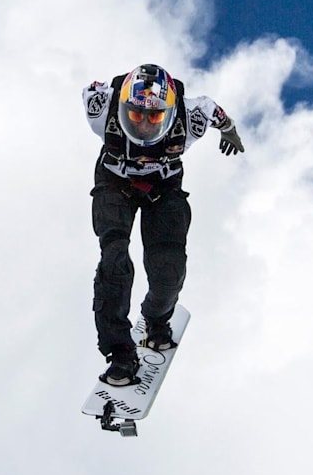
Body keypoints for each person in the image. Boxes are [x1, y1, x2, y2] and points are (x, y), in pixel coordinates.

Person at [83, 63, 245, 386]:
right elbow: (88, 87)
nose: (143, 125)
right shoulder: (100, 106)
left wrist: (229, 131)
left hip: (164, 187)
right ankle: (119, 352)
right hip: (115, 183)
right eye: (136, 115)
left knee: (169, 271)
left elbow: (217, 113)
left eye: (154, 117)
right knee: (114, 262)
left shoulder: (192, 116)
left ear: (170, 114)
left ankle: (157, 318)